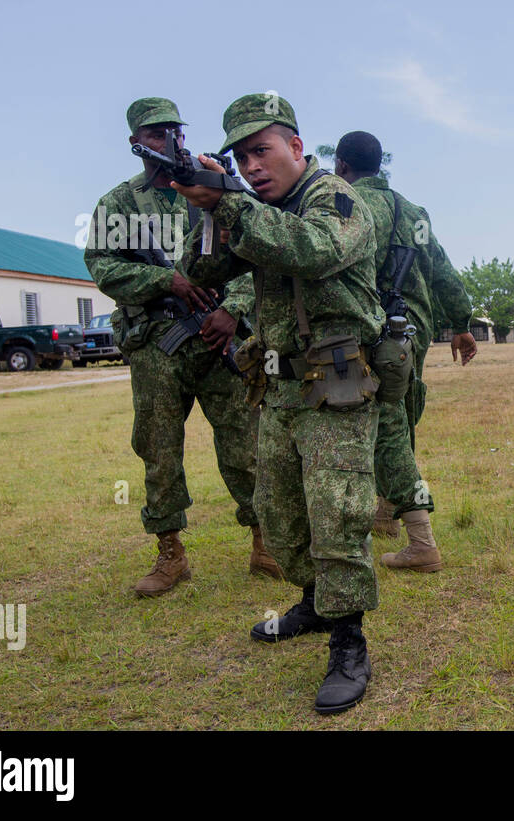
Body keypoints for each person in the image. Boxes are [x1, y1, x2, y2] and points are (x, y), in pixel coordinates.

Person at [174, 94, 384, 714]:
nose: (254, 165)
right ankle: (317, 605)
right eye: (241, 156)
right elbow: (202, 269)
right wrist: (211, 205)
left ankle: (349, 643)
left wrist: (231, 199)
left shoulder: (338, 201)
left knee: (337, 517)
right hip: (277, 383)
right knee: (282, 517)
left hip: (337, 382)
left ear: (296, 146)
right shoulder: (252, 209)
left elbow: (312, 250)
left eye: (261, 150)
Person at [84, 97, 279, 597]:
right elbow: (102, 266)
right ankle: (171, 553)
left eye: (176, 129)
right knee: (158, 448)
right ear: (135, 142)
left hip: (216, 338)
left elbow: (250, 248)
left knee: (244, 441)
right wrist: (165, 281)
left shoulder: (207, 188)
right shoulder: (119, 204)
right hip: (156, 343)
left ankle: (264, 543)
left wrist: (231, 307)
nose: (171, 138)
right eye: (156, 132)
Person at [332, 130, 476, 572]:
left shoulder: (346, 205)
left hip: (370, 332)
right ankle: (384, 513)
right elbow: (444, 274)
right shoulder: (413, 212)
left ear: (341, 166)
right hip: (414, 331)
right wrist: (463, 324)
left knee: (385, 425)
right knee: (400, 412)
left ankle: (419, 538)